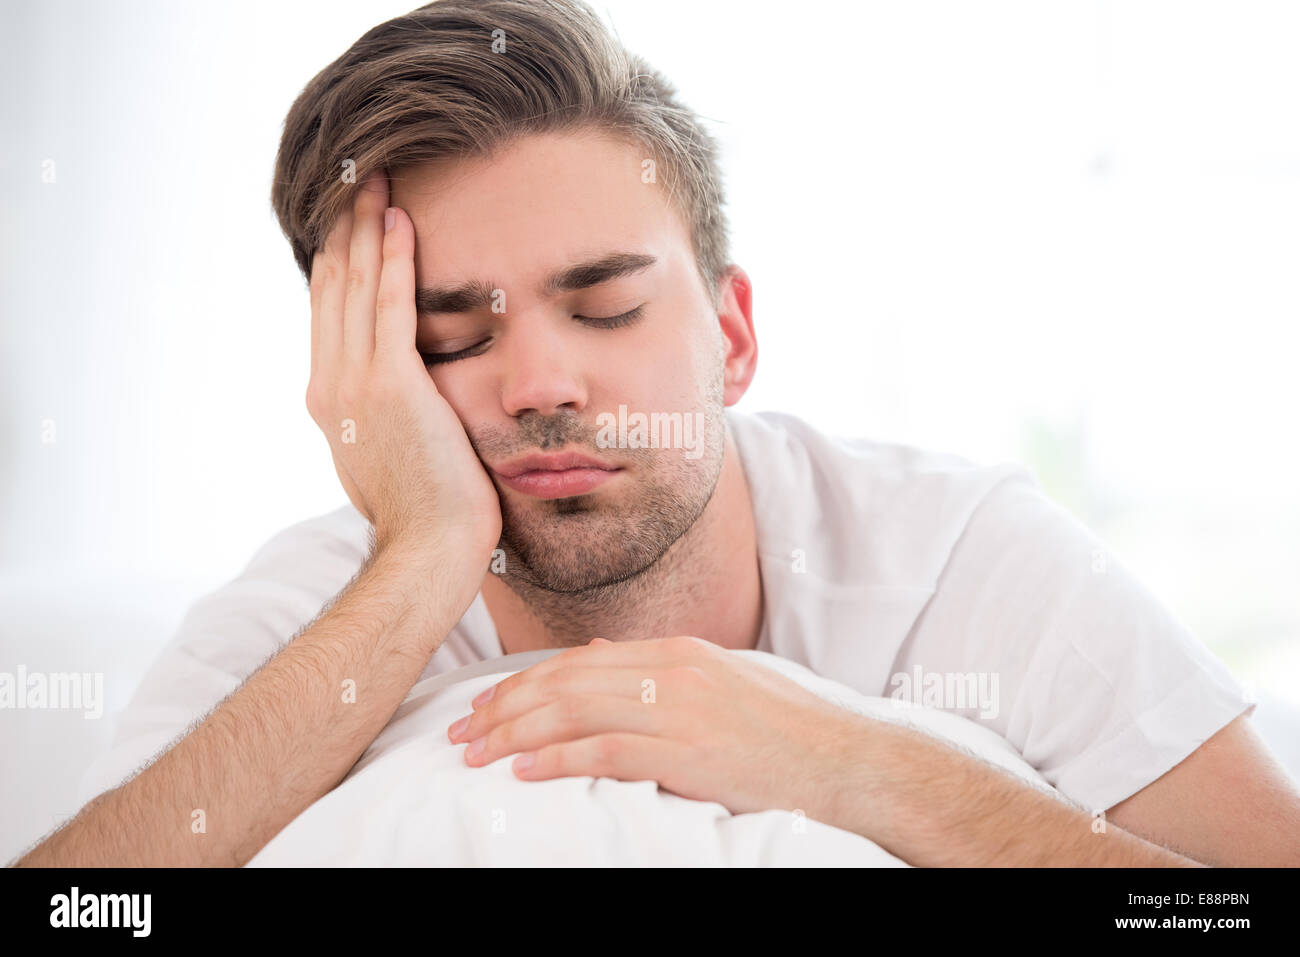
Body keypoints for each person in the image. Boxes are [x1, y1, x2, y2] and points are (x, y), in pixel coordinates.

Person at [14, 0, 1300, 867]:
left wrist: (851, 765)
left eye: (607, 305)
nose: (538, 382)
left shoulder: (965, 558)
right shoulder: (313, 612)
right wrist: (425, 554)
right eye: (454, 334)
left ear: (732, 339)